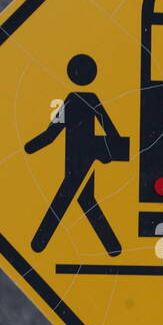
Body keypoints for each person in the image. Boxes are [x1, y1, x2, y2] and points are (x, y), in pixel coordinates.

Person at [25, 53, 128, 255]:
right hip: (87, 155)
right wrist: (30, 147)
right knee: (85, 198)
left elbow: (52, 132)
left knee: (65, 196)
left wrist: (30, 147)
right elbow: (111, 130)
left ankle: (39, 243)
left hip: (79, 157)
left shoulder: (72, 101)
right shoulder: (91, 99)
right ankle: (113, 248)